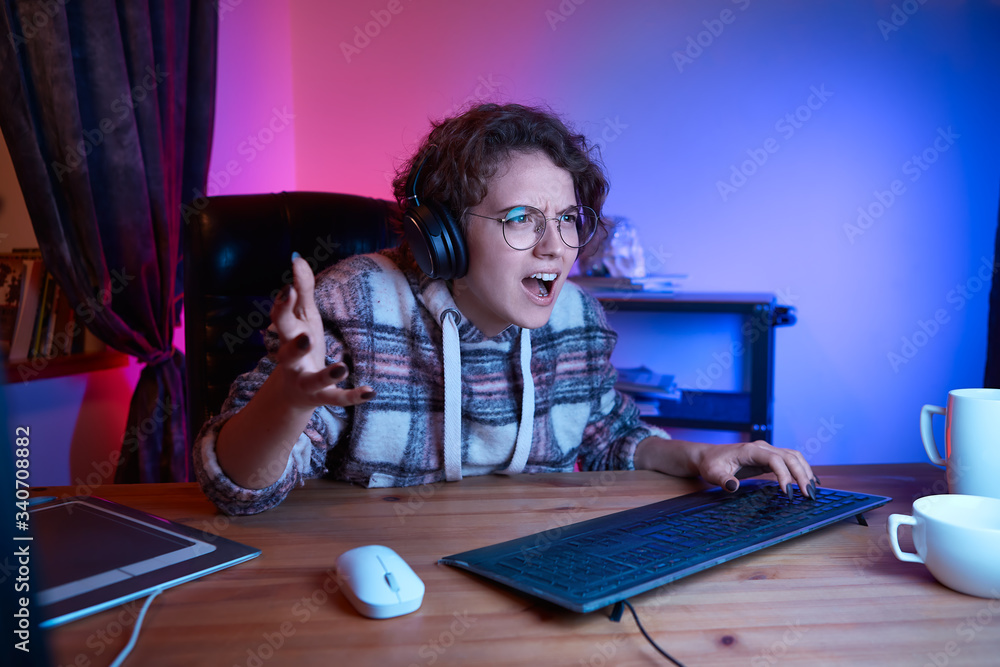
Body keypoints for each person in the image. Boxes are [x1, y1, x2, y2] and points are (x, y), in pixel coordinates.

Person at [193, 103, 817, 516]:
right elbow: (237, 491)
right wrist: (287, 398)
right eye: (521, 218)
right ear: (443, 237)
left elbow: (608, 434)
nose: (556, 247)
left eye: (567, 219)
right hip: (379, 579)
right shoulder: (357, 303)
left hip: (531, 571)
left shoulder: (576, 320)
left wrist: (701, 456)